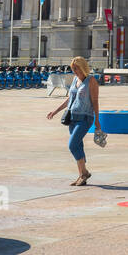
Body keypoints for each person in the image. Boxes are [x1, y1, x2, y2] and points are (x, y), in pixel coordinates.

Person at [47, 56, 102, 186]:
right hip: (72, 118)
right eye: (73, 69)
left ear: (83, 67)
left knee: (72, 144)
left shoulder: (91, 81)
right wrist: (55, 111)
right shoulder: (75, 80)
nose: (74, 72)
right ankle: (82, 174)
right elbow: (69, 100)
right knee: (78, 146)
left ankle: (83, 173)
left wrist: (97, 120)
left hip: (85, 118)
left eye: (76, 69)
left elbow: (95, 101)